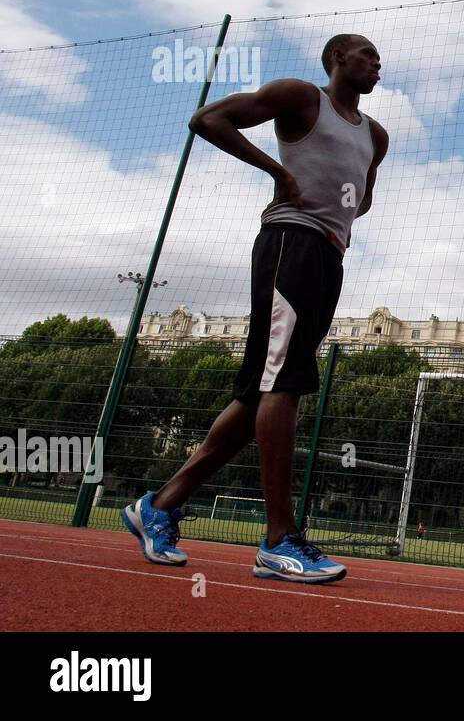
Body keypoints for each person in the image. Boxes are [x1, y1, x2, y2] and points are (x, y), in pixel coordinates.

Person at [121, 34, 389, 584]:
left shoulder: (377, 135)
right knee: (284, 383)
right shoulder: (299, 96)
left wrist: (337, 204)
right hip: (290, 241)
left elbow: (361, 197)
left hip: (327, 255)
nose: (378, 65)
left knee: (257, 395)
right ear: (338, 58)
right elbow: (209, 118)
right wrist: (279, 172)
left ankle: (161, 505)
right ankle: (278, 540)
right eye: (368, 56)